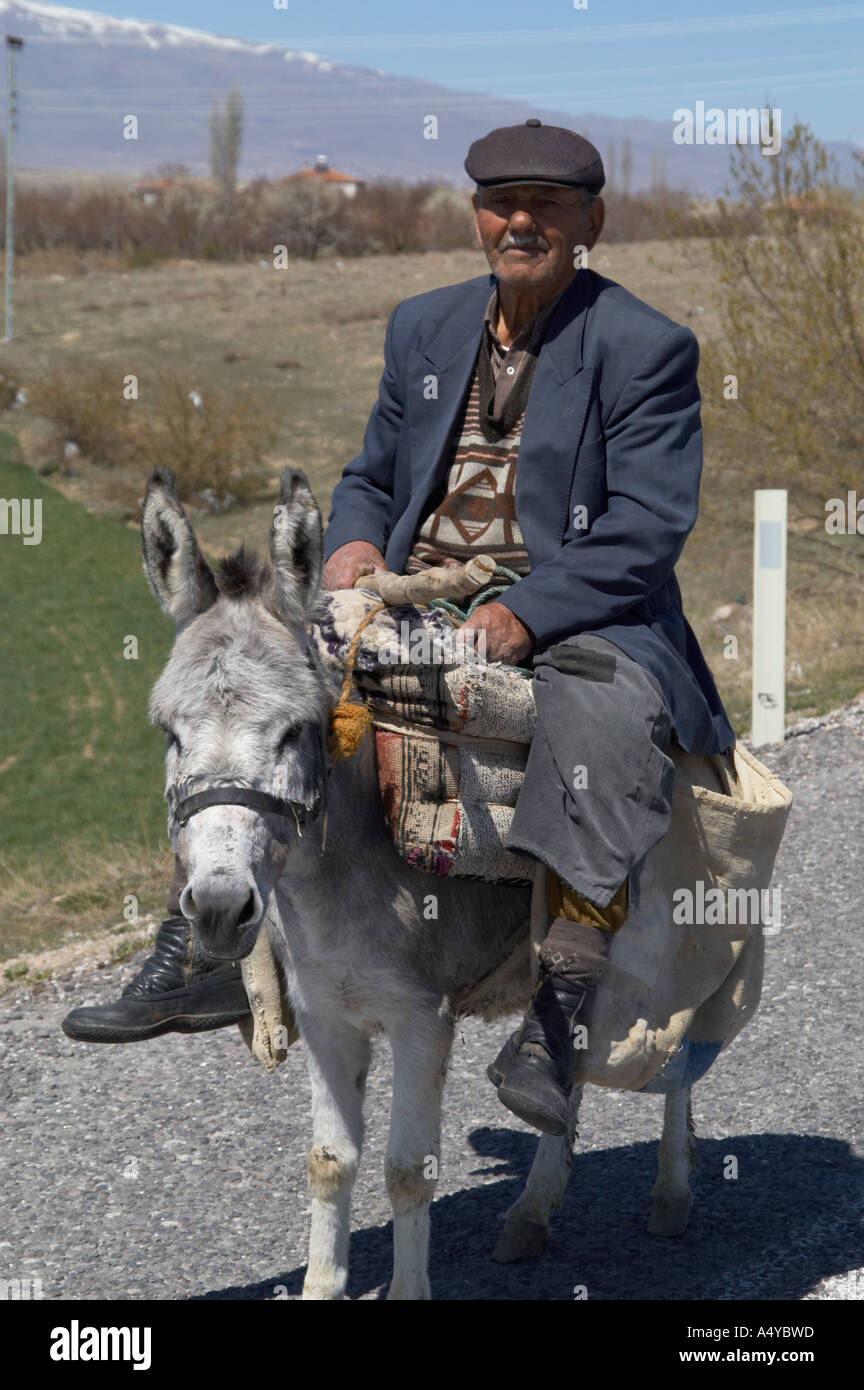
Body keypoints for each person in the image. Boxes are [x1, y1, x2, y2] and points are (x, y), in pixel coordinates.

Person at [63, 120, 734, 1138]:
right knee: (241, 686)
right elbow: (372, 475)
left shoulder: (643, 347)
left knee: (597, 719)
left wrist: (526, 611)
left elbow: (645, 531)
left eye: (547, 208)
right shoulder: (424, 327)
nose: (521, 223)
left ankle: (561, 1006)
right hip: (414, 596)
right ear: (476, 217)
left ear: (590, 221)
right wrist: (352, 549)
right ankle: (205, 952)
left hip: (590, 616)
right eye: (502, 205)